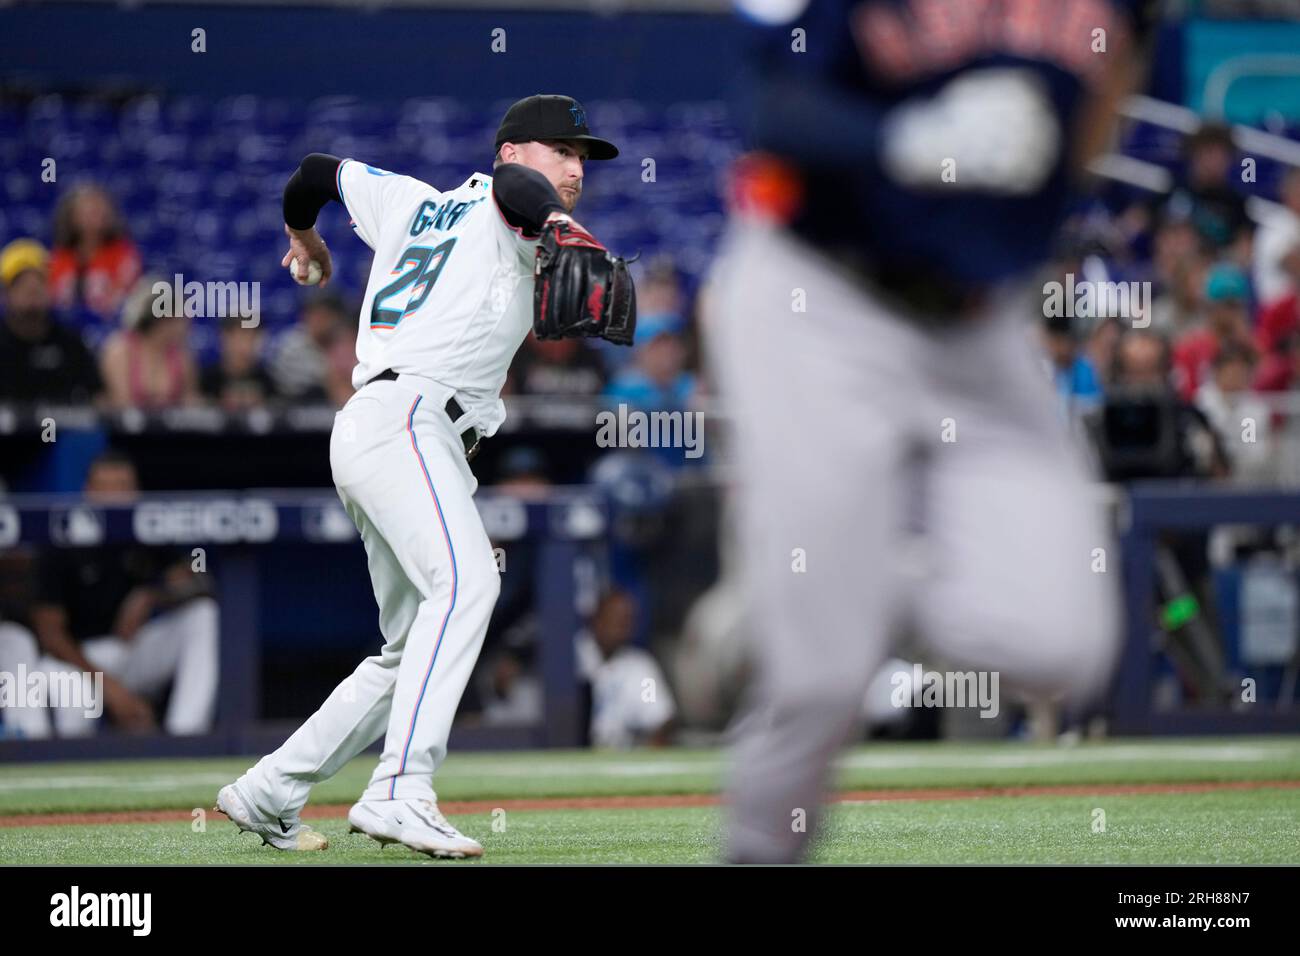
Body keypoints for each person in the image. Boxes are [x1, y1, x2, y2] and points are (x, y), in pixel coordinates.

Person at [707, 0, 1143, 863]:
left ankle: (837, 572)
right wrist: (901, 139)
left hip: (981, 326)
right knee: (821, 679)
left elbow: (1111, 85)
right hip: (819, 297)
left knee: (1061, 646)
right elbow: (764, 105)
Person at [216, 94, 630, 858]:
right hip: (409, 419)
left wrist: (305, 240)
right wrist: (556, 223)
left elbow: (313, 173)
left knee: (410, 647)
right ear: (510, 152)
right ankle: (401, 790)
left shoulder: (411, 200)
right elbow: (516, 194)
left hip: (383, 427)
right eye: (560, 150)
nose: (574, 168)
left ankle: (271, 787)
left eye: (582, 156)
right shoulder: (516, 204)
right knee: (469, 586)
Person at [0, 451, 219, 738]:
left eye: (124, 487)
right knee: (75, 698)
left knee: (202, 615)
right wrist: (109, 688)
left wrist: (151, 595)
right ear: (88, 492)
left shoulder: (146, 532)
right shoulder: (63, 539)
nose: (116, 497)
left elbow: (201, 582)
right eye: (107, 488)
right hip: (75, 661)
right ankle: (69, 771)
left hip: (131, 652)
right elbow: (51, 635)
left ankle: (186, 735)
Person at [0, 239, 102, 404]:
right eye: (21, 284)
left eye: (39, 282)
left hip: (61, 428)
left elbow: (98, 397)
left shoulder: (71, 342)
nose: (32, 291)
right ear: (5, 293)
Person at [575, 590, 676, 748]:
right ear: (597, 619)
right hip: (573, 751)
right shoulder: (575, 656)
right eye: (613, 619)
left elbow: (658, 718)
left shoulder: (641, 668)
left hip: (622, 756)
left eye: (625, 621)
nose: (619, 627)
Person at [100, 277, 202, 410]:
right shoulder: (120, 351)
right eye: (181, 317)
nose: (187, 323)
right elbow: (122, 403)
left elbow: (190, 402)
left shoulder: (182, 357)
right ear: (163, 320)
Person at [48, 183, 142, 321]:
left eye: (98, 210)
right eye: (88, 211)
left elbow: (125, 297)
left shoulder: (123, 253)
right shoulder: (59, 257)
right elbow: (52, 297)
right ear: (72, 216)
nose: (94, 217)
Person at [269, 291, 349, 402]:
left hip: (331, 406)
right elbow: (295, 386)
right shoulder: (292, 344)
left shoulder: (343, 343)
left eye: (326, 316)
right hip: (294, 406)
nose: (321, 322)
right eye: (316, 315)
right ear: (306, 316)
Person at [200, 316, 278, 412]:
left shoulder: (267, 380)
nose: (245, 345)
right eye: (240, 336)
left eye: (252, 338)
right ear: (224, 337)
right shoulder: (207, 380)